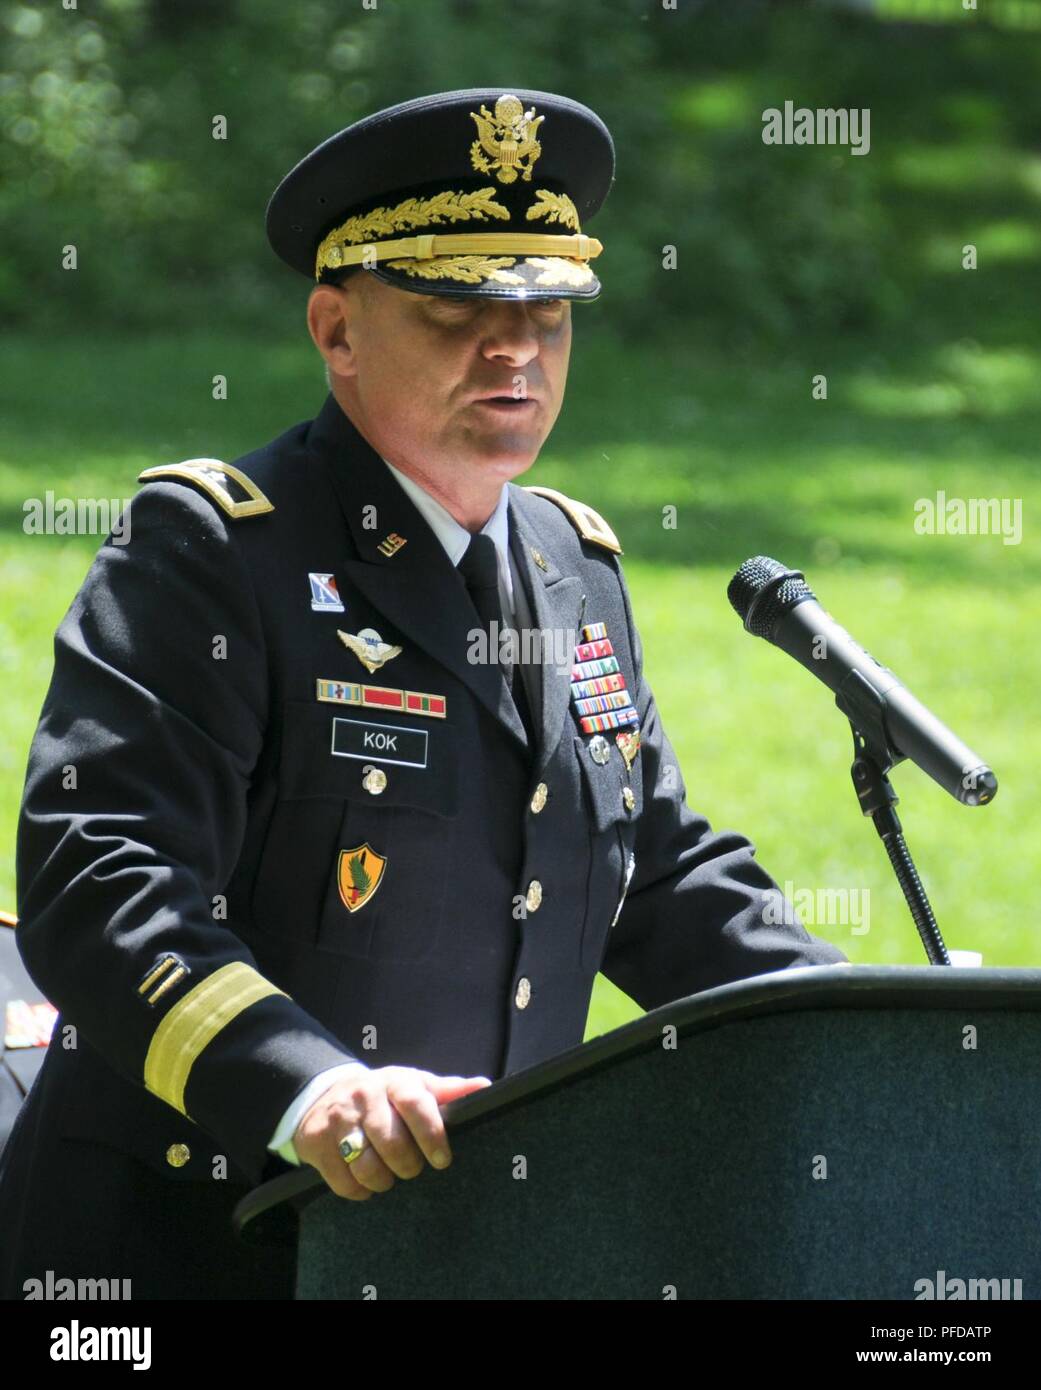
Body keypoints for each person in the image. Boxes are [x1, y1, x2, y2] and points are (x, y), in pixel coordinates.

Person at [0, 87, 847, 1301]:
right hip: (195, 1243)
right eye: (459, 308)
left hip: (457, 1247)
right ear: (336, 329)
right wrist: (307, 1083)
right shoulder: (215, 550)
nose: (514, 348)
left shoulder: (572, 565)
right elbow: (102, 875)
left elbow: (647, 874)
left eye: (548, 311)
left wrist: (861, 1017)